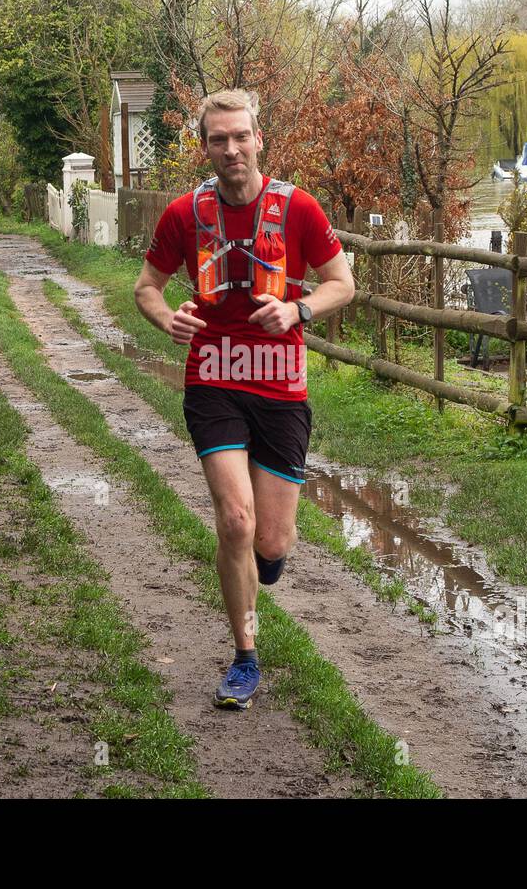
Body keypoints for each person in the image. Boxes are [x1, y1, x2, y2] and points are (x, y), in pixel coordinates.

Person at [133, 89, 355, 710]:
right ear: (204, 146)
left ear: (259, 139)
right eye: (217, 139)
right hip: (214, 378)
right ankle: (245, 657)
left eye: (239, 137)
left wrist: (298, 308)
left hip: (281, 384)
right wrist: (165, 318)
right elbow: (146, 286)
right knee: (235, 519)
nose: (229, 149)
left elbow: (344, 284)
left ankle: (261, 565)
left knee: (271, 543)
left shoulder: (299, 208)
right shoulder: (184, 214)